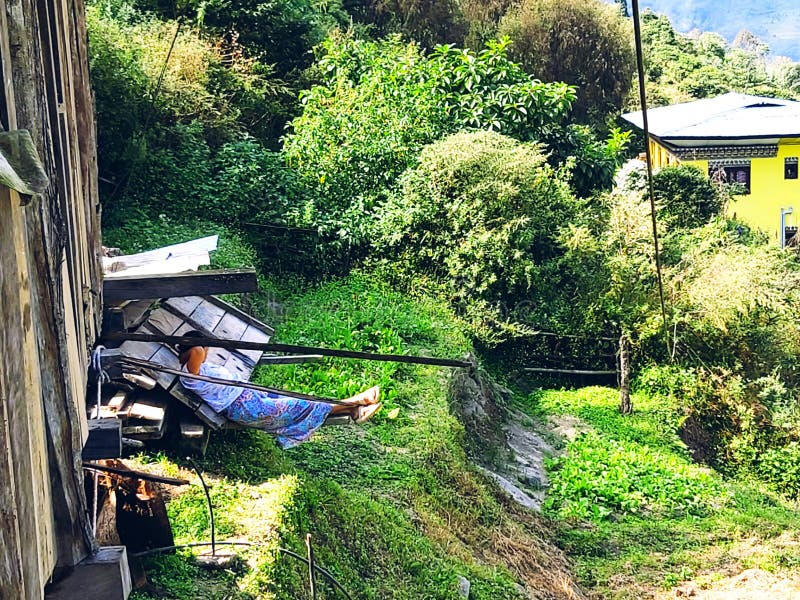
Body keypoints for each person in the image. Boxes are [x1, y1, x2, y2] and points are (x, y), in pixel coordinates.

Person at [176, 331, 381, 449]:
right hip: (245, 408)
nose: (206, 352)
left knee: (300, 399)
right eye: (205, 348)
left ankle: (354, 410)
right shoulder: (190, 374)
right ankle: (357, 401)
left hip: (252, 397)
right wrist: (195, 346)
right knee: (304, 404)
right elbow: (196, 350)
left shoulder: (198, 369)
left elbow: (196, 351)